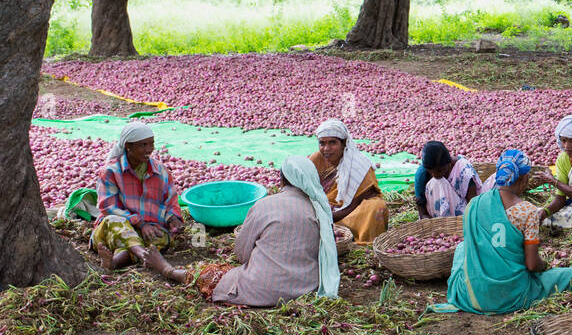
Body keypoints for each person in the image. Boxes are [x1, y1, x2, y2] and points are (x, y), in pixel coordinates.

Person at [445, 150, 572, 314]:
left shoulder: (474, 204)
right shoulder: (528, 212)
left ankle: (478, 288)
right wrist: (545, 265)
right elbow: (532, 265)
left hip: (473, 295)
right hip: (510, 294)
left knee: (462, 248)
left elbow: (472, 245)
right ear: (525, 179)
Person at [193, 156, 341, 306]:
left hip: (260, 290)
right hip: (305, 289)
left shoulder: (264, 205)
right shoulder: (320, 211)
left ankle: (172, 272)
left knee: (211, 274)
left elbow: (242, 253)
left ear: (282, 180)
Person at [91, 123, 188, 283]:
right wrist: (141, 224)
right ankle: (145, 256)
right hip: (112, 229)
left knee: (160, 238)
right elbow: (108, 208)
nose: (149, 149)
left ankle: (114, 262)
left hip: (147, 230)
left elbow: (171, 202)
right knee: (116, 222)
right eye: (143, 145)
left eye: (151, 143)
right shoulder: (111, 172)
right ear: (128, 146)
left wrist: (173, 218)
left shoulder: (161, 172)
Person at [310, 119, 389, 244]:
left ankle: (363, 239)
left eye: (332, 142)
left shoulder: (359, 165)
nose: (326, 148)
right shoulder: (316, 159)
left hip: (351, 211)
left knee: (376, 207)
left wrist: (330, 217)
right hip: (325, 207)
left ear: (344, 143)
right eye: (322, 143)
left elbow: (357, 201)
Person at [414, 141, 482, 219]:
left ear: (449, 163)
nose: (434, 175)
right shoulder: (422, 173)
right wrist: (429, 223)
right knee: (438, 182)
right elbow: (422, 210)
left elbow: (473, 203)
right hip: (435, 217)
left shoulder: (464, 169)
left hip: (463, 215)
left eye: (440, 170)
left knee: (440, 182)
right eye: (430, 171)